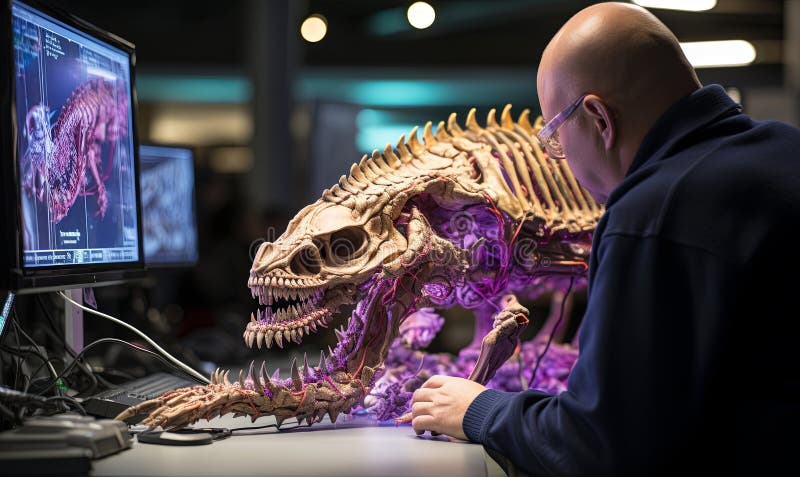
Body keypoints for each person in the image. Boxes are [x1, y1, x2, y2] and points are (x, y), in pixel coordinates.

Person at [409, 2, 800, 475]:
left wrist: (479, 410)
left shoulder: (651, 212)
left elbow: (600, 447)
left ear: (598, 119)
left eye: (554, 136)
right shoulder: (786, 149)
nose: (559, 158)